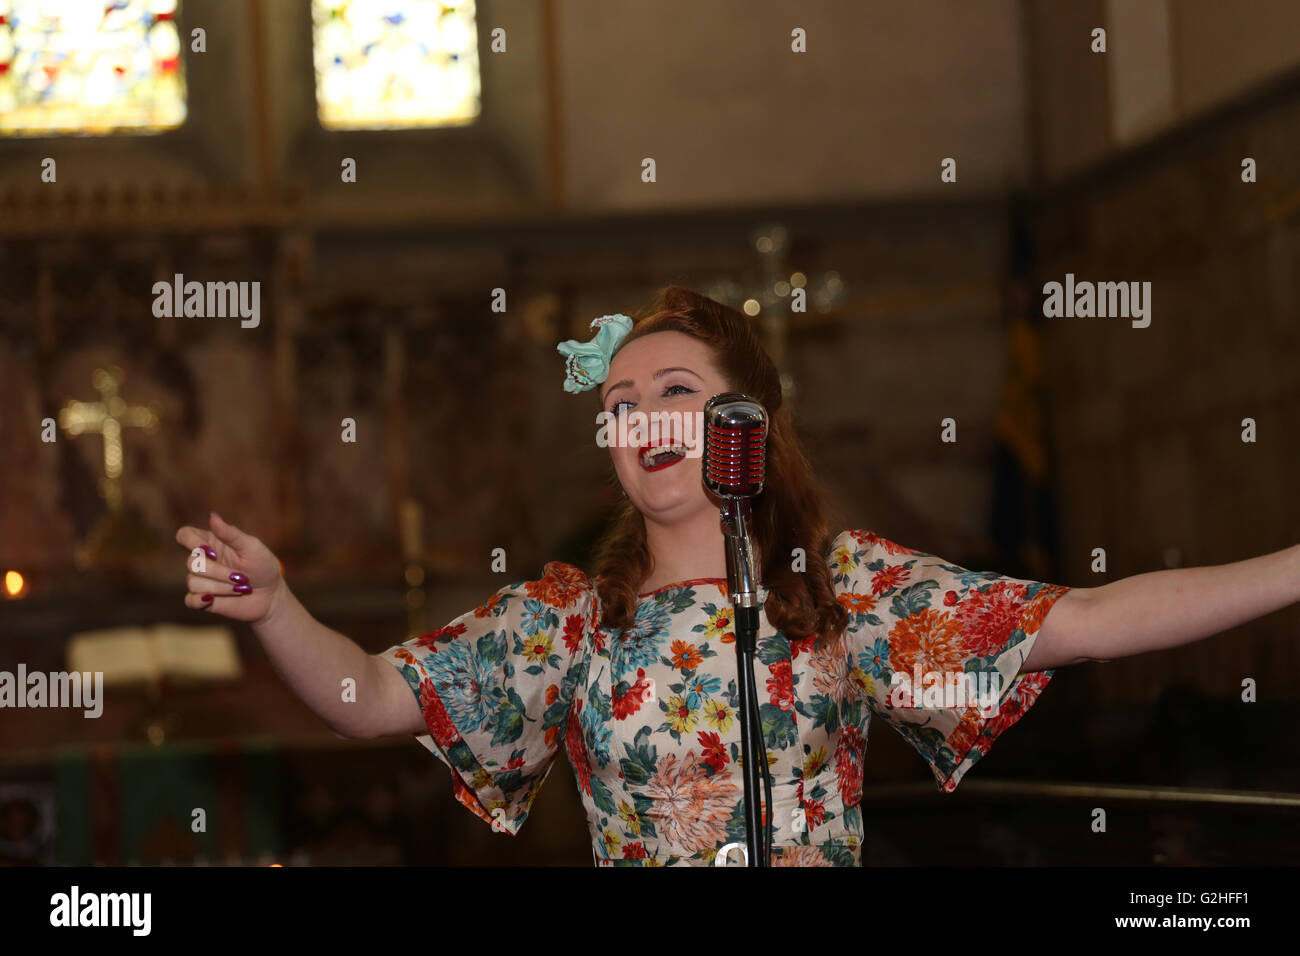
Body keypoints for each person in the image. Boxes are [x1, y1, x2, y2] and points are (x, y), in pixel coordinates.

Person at [176, 285, 1300, 866]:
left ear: (742, 421)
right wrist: (277, 607)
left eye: (671, 389)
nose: (637, 416)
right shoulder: (568, 618)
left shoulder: (840, 585)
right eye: (617, 404)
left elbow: (1091, 618)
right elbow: (367, 697)